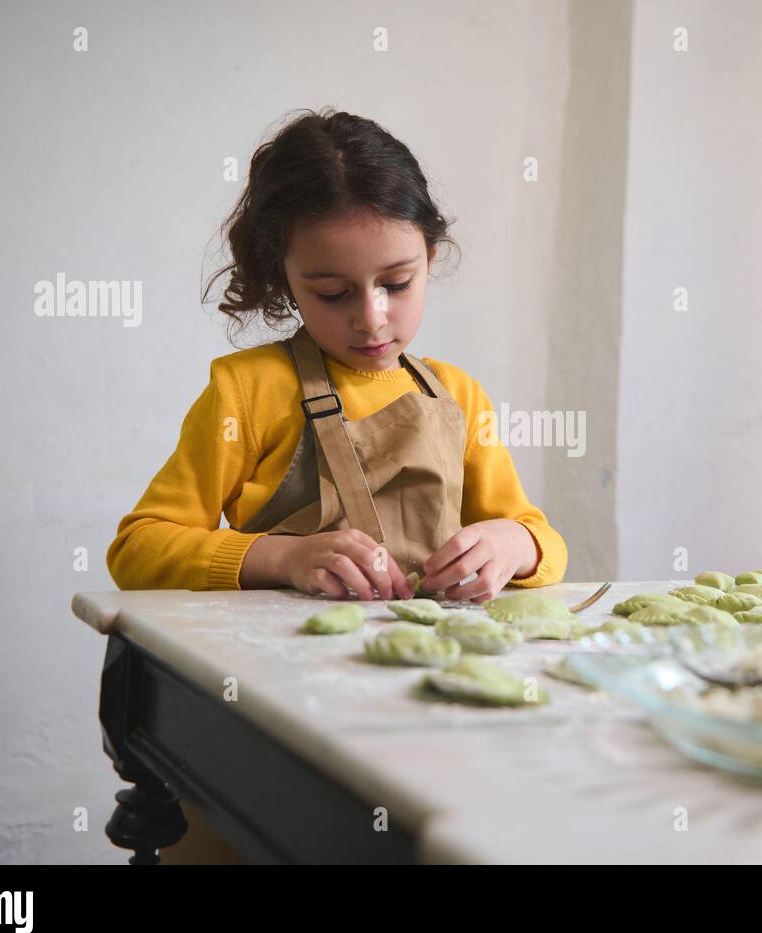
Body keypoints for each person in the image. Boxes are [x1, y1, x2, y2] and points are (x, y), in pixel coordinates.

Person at [107, 108, 569, 862]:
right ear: (281, 276)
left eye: (397, 282)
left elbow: (542, 538)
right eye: (332, 293)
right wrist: (281, 559)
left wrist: (512, 543)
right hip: (266, 718)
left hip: (421, 720)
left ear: (432, 253)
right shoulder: (246, 391)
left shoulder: (457, 395)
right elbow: (138, 548)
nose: (373, 318)